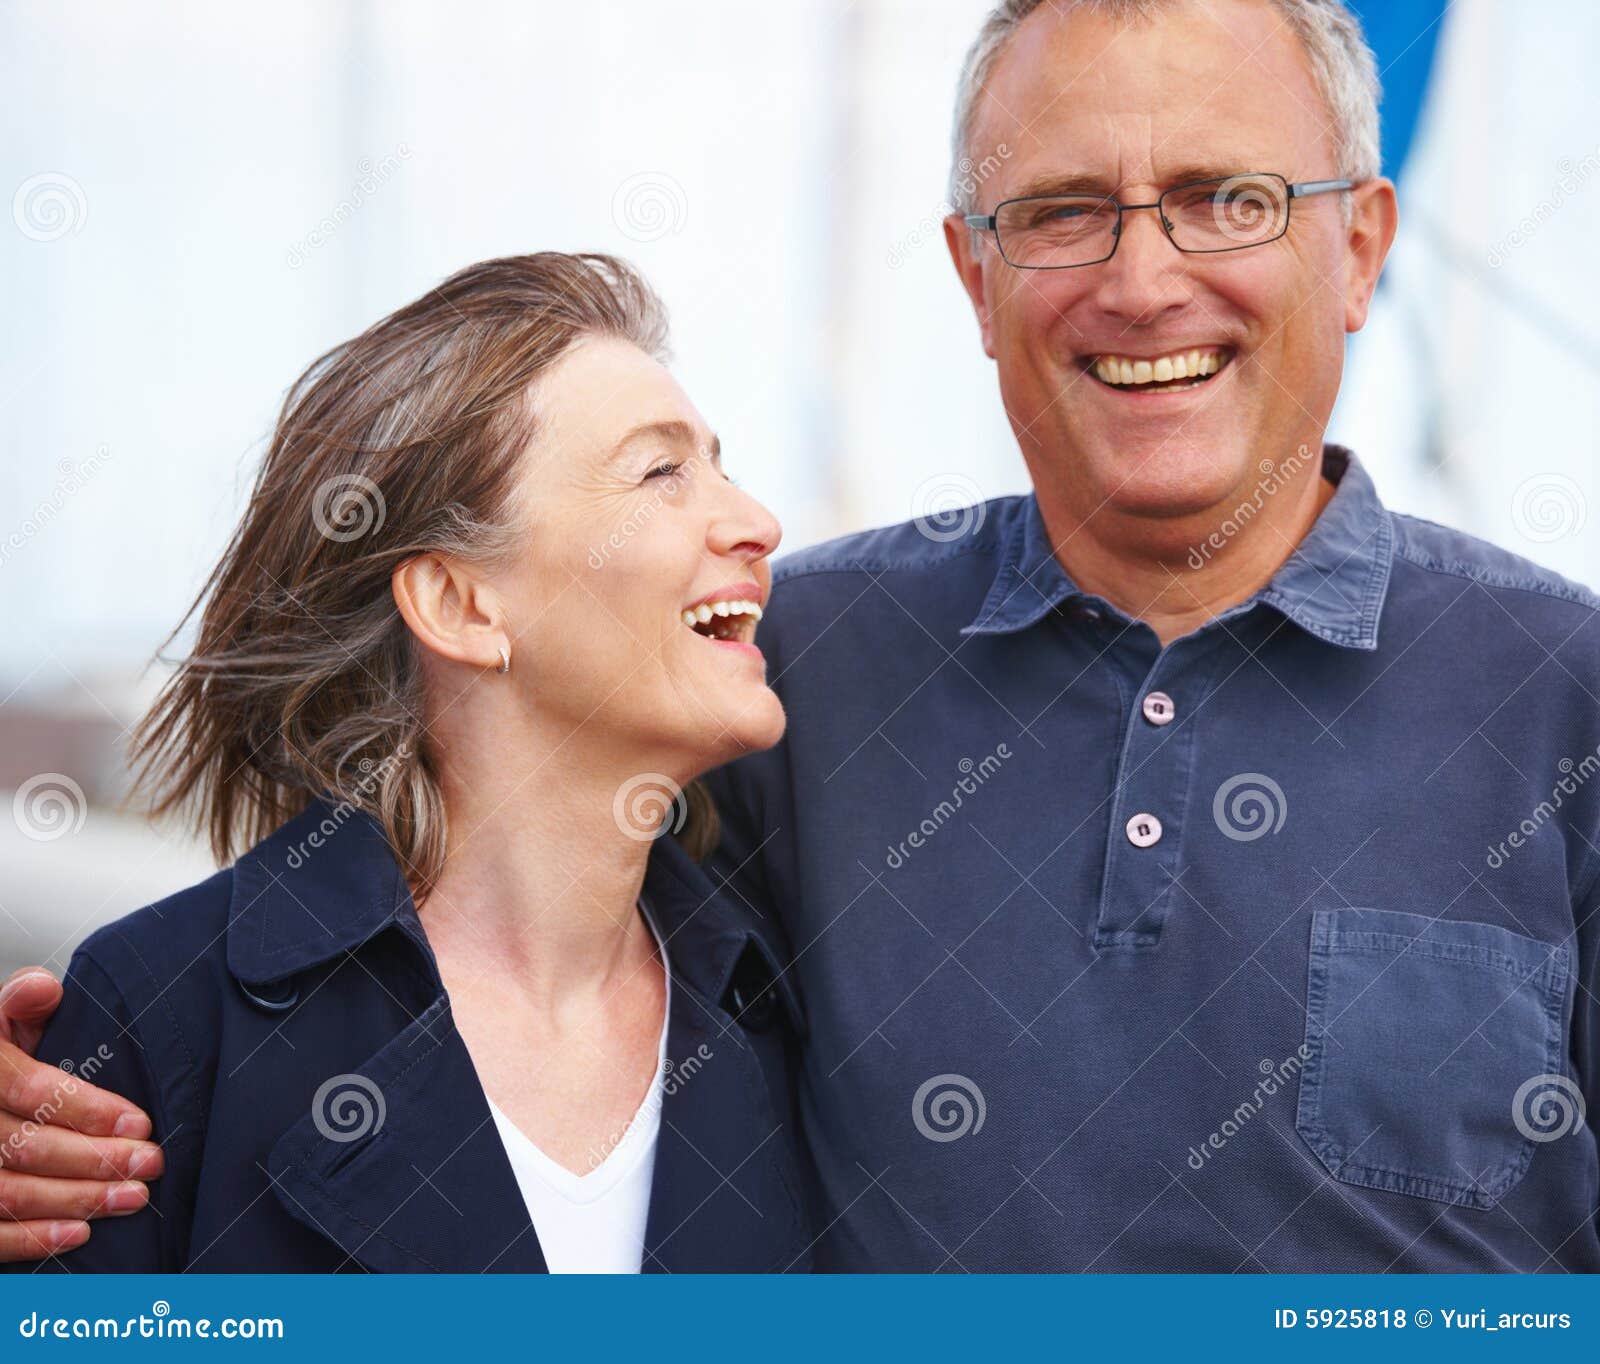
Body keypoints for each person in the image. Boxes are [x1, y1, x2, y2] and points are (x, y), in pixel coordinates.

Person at [6, 0, 1600, 1273]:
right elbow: (446, 895)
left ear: (1363, 246)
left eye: (1224, 199)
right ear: (976, 277)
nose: (1142, 278)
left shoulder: (1564, 701)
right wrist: (85, 1085)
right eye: (1061, 213)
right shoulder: (791, 666)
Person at [0, 252, 809, 1272]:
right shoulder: (161, 1019)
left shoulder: (784, 1000)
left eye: (721, 465)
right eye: (661, 471)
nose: (756, 522)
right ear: (462, 604)